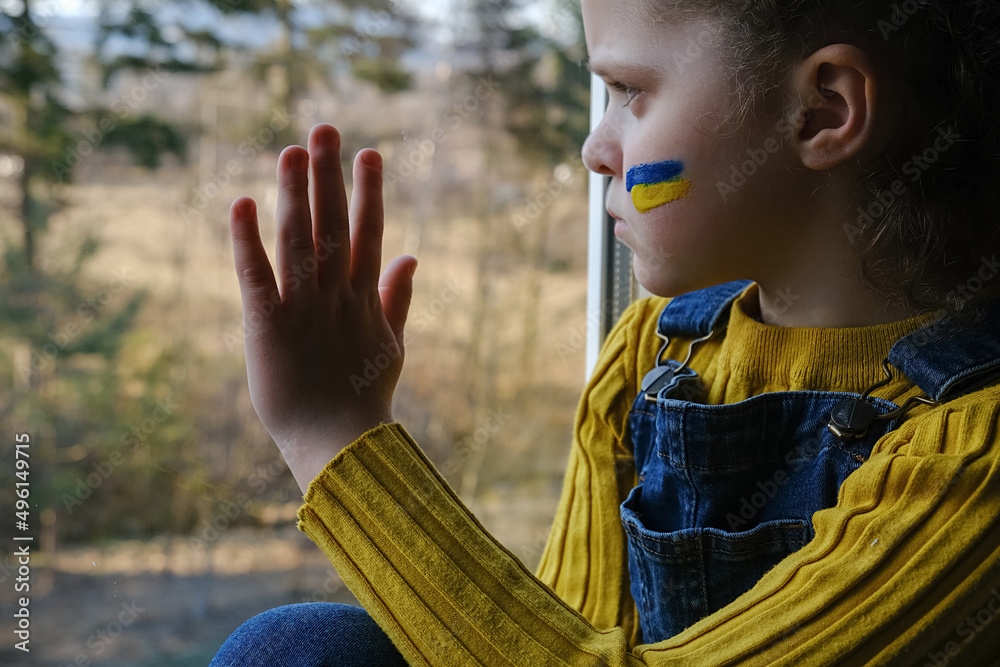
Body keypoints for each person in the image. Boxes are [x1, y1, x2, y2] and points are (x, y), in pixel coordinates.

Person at [212, 0, 1000, 664]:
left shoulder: (975, 443)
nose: (595, 149)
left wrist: (333, 437)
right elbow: (566, 633)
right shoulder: (658, 349)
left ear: (824, 109)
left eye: (629, 91)